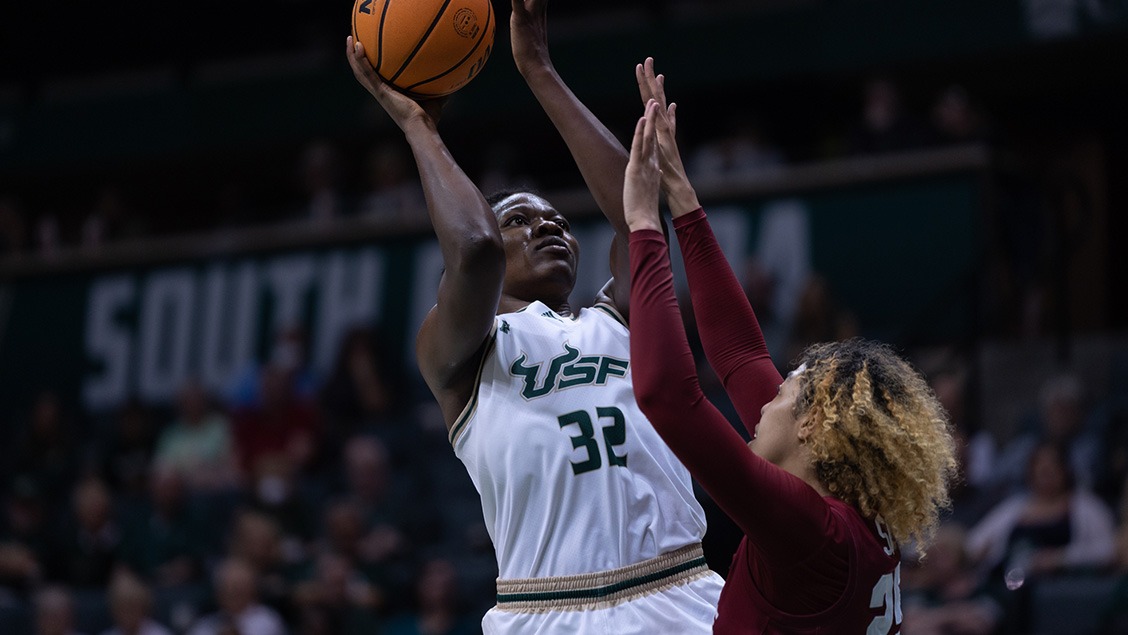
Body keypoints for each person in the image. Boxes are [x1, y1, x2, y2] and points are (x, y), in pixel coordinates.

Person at [344, 0, 725, 631]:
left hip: (677, 589)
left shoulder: (620, 322)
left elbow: (640, 216)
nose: (546, 226)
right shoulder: (462, 353)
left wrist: (540, 70)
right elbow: (474, 248)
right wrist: (419, 127)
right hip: (547, 609)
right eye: (519, 219)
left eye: (556, 221)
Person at [624, 59, 958, 632]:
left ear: (813, 427)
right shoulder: (857, 518)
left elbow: (666, 398)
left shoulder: (814, 536)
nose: (768, 397)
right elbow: (739, 355)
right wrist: (680, 195)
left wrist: (642, 226)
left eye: (787, 391)